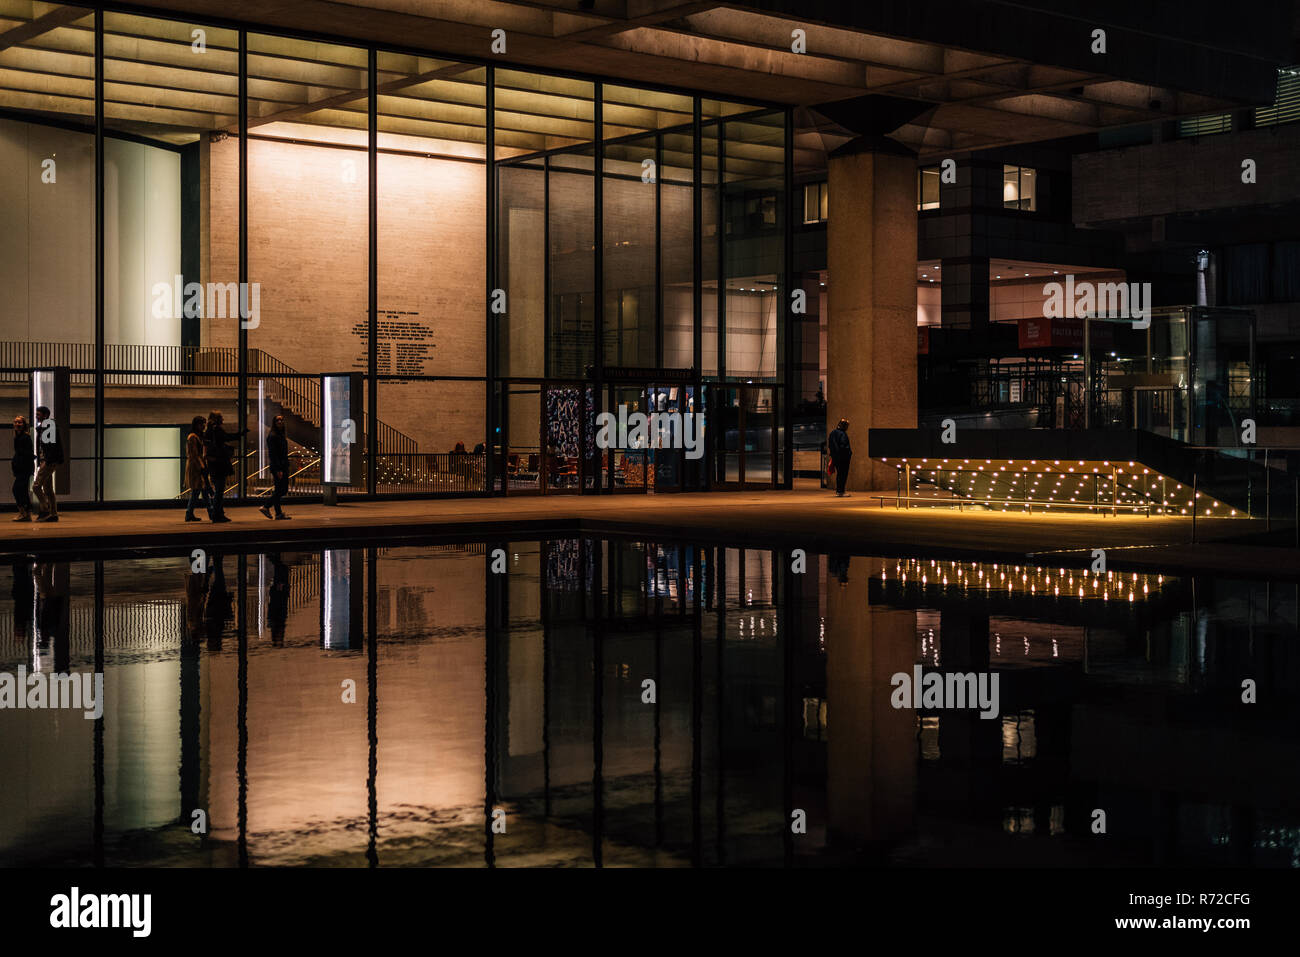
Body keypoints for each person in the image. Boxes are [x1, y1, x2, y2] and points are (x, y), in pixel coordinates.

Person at [204, 411, 244, 523]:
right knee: (219, 490)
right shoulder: (217, 429)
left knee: (218, 489)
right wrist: (239, 435)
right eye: (221, 417)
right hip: (219, 463)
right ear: (217, 419)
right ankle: (217, 514)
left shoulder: (209, 430)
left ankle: (218, 513)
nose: (223, 419)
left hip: (213, 463)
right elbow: (226, 438)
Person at [32, 405, 62, 522]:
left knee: (36, 486)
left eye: (38, 414)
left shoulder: (48, 426)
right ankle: (53, 514)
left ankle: (45, 509)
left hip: (48, 462)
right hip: (47, 461)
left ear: (45, 415)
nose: (36, 416)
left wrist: (46, 461)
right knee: (48, 489)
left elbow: (51, 447)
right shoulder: (45, 427)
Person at [260, 415, 291, 520]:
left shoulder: (280, 435)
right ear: (274, 423)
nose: (280, 421)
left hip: (282, 465)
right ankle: (266, 506)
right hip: (279, 467)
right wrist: (278, 469)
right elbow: (273, 454)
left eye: (282, 419)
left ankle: (278, 513)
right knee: (282, 490)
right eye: (278, 420)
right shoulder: (273, 436)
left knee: (280, 489)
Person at [184, 416, 209, 522]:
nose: (203, 426)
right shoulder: (193, 437)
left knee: (200, 490)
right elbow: (194, 454)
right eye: (202, 424)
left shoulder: (196, 436)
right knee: (198, 490)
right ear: (196, 425)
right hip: (196, 467)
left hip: (198, 465)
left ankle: (190, 513)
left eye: (204, 423)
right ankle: (189, 513)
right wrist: (202, 466)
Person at [12, 415, 34, 522]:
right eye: (16, 422)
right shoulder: (17, 437)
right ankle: (26, 513)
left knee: (17, 489)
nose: (17, 424)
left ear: (24, 425)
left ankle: (23, 512)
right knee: (22, 490)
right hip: (21, 469)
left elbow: (27, 454)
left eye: (19, 422)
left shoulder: (25, 437)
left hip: (23, 469)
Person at [827, 417, 852, 497]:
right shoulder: (842, 434)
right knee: (843, 474)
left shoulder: (832, 433)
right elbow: (844, 446)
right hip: (843, 458)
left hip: (835, 457)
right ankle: (841, 491)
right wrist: (848, 454)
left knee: (839, 474)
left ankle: (839, 490)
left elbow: (830, 445)